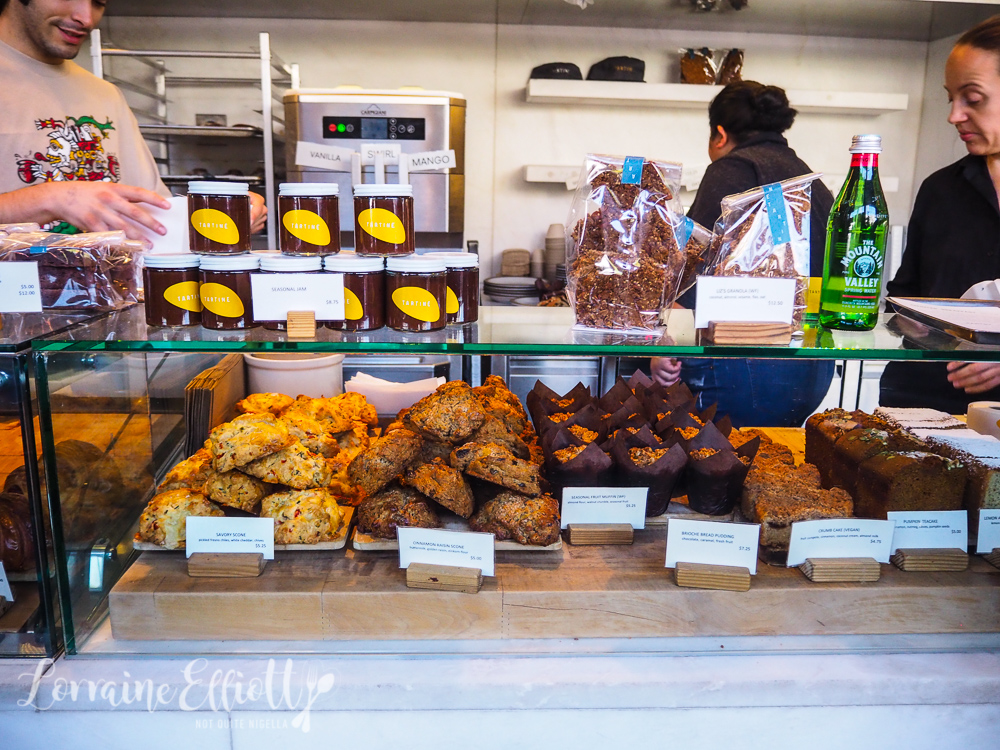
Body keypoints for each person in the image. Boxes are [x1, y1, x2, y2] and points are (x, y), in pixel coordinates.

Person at [651, 81, 835, 427]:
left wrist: (660, 340)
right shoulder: (809, 179)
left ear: (719, 134)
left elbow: (686, 273)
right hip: (812, 367)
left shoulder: (731, 170)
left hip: (743, 368)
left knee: (723, 464)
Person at [0, 0, 265, 238]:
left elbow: (150, 213)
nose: (86, 18)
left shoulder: (104, 94)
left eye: (98, 3)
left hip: (107, 289)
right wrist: (48, 199)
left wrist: (219, 215)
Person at [880, 14, 1000, 413]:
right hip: (923, 405)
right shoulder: (941, 189)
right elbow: (903, 298)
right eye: (951, 97)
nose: (954, 115)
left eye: (974, 98)